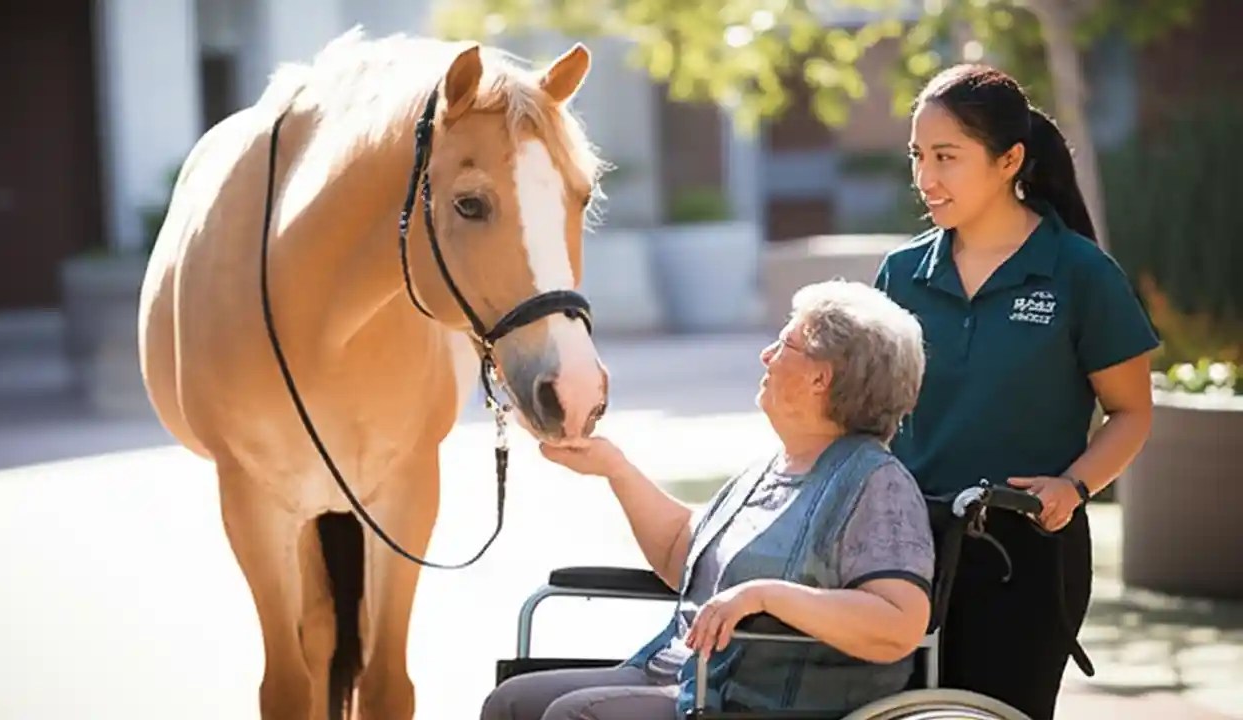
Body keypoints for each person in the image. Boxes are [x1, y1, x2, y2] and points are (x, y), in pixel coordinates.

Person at [481, 280, 936, 720]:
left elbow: (898, 623)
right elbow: (687, 554)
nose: (766, 355)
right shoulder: (771, 469)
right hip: (684, 677)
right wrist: (613, 468)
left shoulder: (876, 484)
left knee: (574, 715)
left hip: (752, 703)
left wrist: (766, 596)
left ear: (821, 377)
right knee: (513, 702)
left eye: (784, 344)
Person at [874, 63, 1160, 719]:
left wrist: (1074, 487)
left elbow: (1131, 412)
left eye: (947, 156)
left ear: (1010, 161)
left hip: (1028, 551)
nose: (926, 177)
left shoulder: (1080, 273)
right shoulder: (899, 274)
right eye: (919, 155)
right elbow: (871, 414)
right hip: (904, 548)